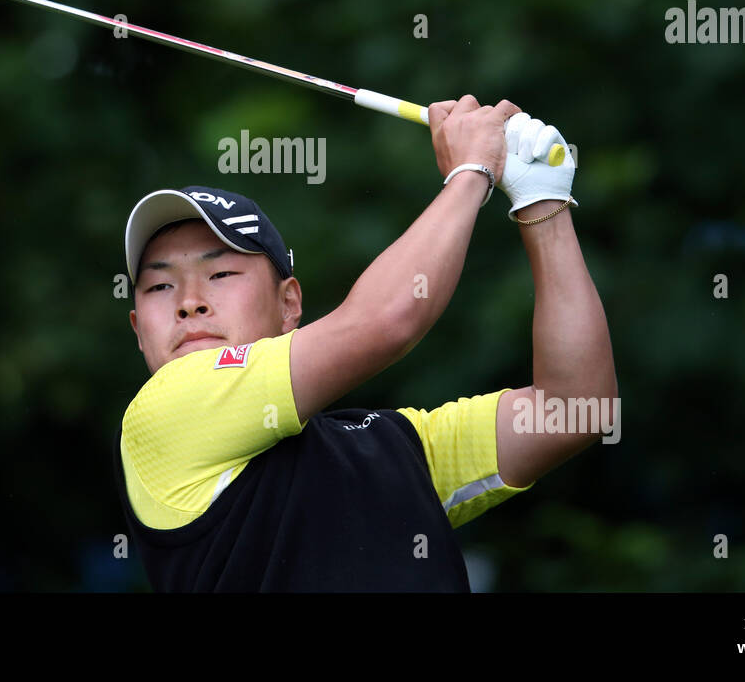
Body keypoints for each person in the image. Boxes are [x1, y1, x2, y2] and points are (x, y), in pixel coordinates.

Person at [112, 95, 617, 591]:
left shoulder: (390, 445)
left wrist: (541, 201)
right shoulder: (160, 418)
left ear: (289, 304)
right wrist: (471, 172)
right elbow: (386, 320)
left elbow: (576, 408)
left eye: (220, 273)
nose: (189, 302)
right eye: (160, 286)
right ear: (137, 330)